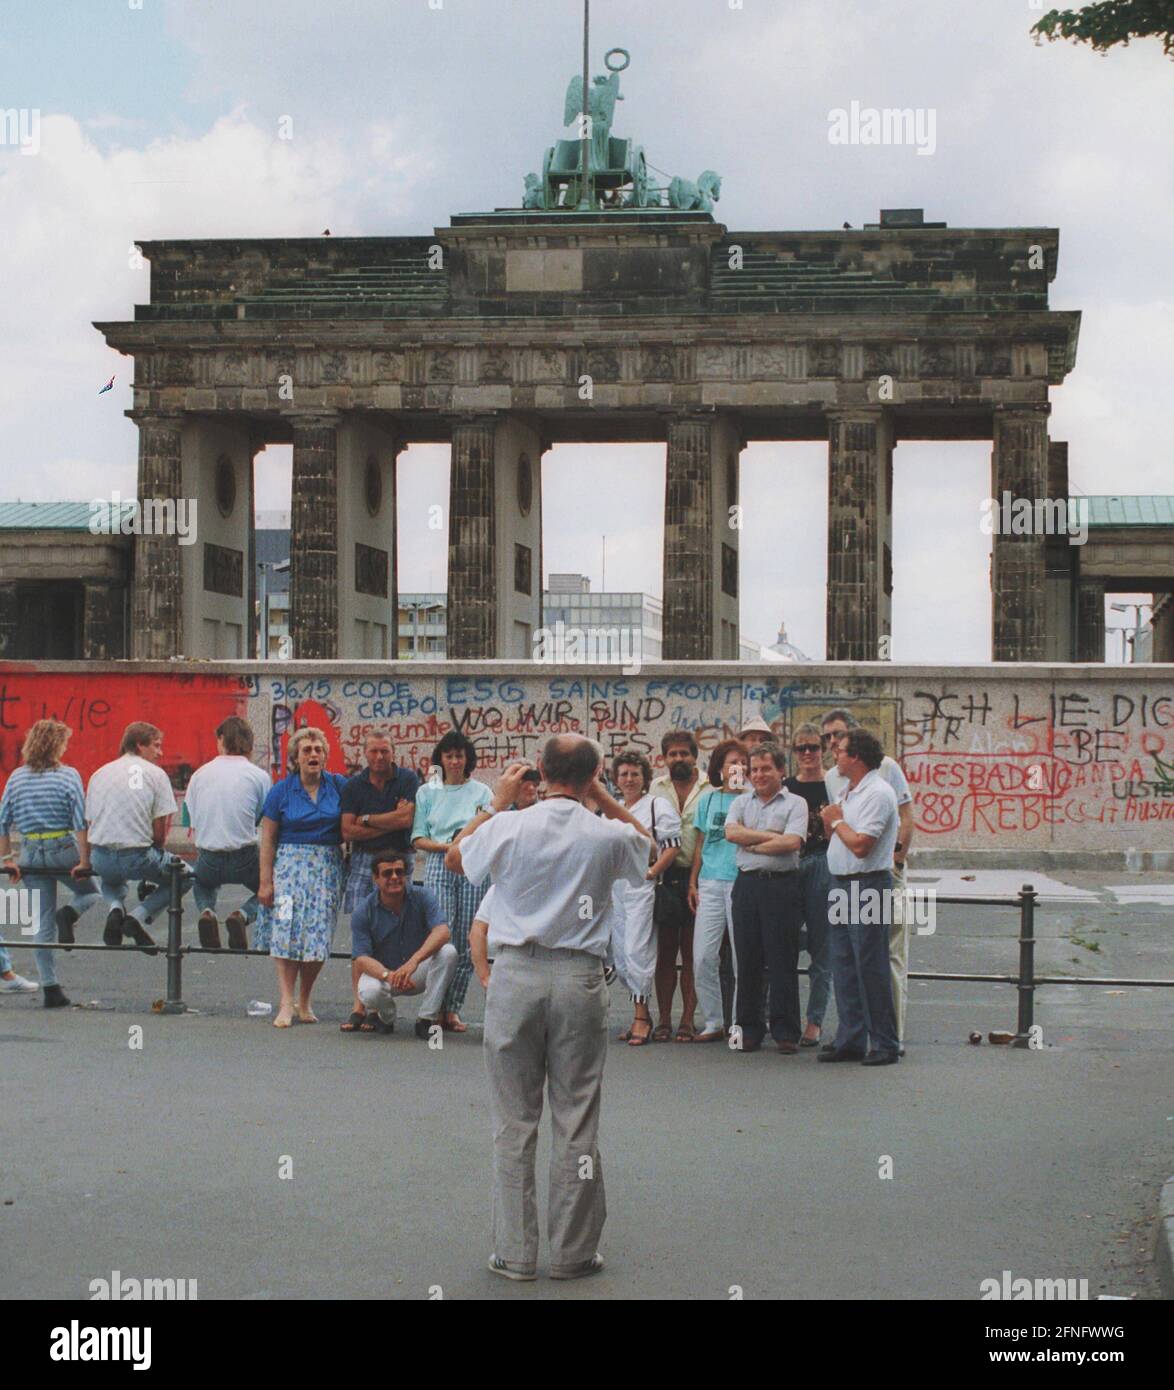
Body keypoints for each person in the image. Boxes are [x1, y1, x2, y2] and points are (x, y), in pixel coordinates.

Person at [450, 738, 650, 1282]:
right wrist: (603, 799)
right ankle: (571, 1251)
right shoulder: (605, 833)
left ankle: (515, 1253)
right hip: (579, 976)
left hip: (516, 970)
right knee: (576, 1115)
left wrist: (496, 801)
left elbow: (455, 857)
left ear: (539, 771)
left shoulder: (511, 824)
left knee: (514, 1120)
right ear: (593, 775)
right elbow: (648, 847)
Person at [821, 709, 915, 1052]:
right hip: (842, 882)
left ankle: (885, 1041)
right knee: (843, 963)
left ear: (856, 757)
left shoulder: (878, 792)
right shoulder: (850, 791)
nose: (833, 753)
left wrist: (834, 822)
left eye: (840, 749)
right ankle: (851, 1037)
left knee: (870, 964)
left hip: (867, 883)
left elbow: (862, 844)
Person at [0, 719, 102, 1007]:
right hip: (62, 846)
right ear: (57, 745)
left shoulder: (17, 777)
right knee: (91, 891)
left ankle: (50, 987)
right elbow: (80, 822)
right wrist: (84, 859)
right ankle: (69, 913)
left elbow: (2, 821)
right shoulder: (68, 776)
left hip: (30, 850)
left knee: (41, 921)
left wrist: (8, 859)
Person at [255, 726, 347, 1029]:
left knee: (318, 934)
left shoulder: (338, 786)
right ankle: (285, 1001)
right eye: (307, 750)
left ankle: (304, 999)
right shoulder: (281, 791)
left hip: (326, 867)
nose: (313, 755)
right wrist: (265, 881)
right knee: (286, 929)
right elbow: (267, 838)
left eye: (318, 750)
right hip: (289, 868)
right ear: (295, 757)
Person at [724, 742, 807, 1053]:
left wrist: (755, 843)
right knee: (747, 960)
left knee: (782, 958)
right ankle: (747, 1031)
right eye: (754, 769)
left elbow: (793, 843)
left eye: (765, 769)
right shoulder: (741, 802)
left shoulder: (796, 803)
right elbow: (732, 834)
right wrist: (773, 836)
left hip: (781, 887)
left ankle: (786, 1032)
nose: (758, 775)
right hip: (747, 887)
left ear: (781, 771)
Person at [410, 731, 492, 1033]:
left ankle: (452, 1008)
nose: (455, 761)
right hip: (438, 863)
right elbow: (418, 837)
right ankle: (434, 1005)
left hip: (471, 864)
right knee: (442, 934)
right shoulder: (427, 792)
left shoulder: (482, 792)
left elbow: (486, 829)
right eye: (449, 756)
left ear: (467, 759)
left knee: (468, 937)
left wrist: (463, 848)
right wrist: (448, 848)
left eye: (460, 756)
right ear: (440, 760)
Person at [86, 721, 190, 953]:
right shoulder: (156, 774)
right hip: (137, 855)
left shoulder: (99, 774)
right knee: (185, 875)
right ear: (139, 745)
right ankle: (136, 917)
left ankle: (115, 908)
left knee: (111, 879)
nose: (160, 752)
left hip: (101, 856)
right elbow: (160, 834)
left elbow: (90, 821)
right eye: (156, 745)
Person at [340, 732, 420, 1027]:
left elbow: (406, 821)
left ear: (393, 752)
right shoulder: (353, 786)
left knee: (394, 928)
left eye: (384, 751)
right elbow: (347, 831)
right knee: (363, 932)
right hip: (364, 861)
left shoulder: (408, 779)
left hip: (400, 859)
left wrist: (367, 819)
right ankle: (360, 1005)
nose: (379, 757)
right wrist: (388, 820)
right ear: (365, 753)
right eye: (374, 752)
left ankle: (380, 1001)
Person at [607, 750, 680, 1047]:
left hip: (641, 888)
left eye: (635, 774)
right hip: (615, 890)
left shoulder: (657, 806)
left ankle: (640, 1017)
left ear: (645, 777)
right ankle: (642, 1013)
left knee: (638, 951)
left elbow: (672, 846)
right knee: (622, 955)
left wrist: (651, 873)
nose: (629, 779)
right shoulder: (610, 809)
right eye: (623, 774)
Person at [348, 851, 457, 1038]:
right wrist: (389, 976)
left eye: (399, 872)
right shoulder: (363, 911)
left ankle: (426, 1018)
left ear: (406, 876)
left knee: (449, 952)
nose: (394, 877)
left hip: (417, 971)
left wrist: (413, 962)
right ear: (375, 878)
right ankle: (387, 1017)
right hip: (385, 974)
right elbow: (361, 959)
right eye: (387, 873)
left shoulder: (423, 896)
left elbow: (443, 932)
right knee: (368, 991)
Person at [184, 716, 271, 951]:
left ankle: (207, 911)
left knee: (202, 885)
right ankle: (242, 915)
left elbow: (192, 817)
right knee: (272, 889)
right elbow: (262, 813)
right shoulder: (259, 776)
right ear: (249, 744)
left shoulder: (199, 775)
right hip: (244, 856)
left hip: (209, 856)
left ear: (221, 740)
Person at [688, 739, 748, 1043]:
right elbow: (700, 844)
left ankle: (739, 1022)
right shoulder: (708, 801)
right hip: (710, 883)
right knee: (703, 957)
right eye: (732, 763)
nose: (738, 768)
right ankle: (713, 1020)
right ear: (720, 769)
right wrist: (693, 881)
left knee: (741, 958)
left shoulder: (751, 799)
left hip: (741, 882)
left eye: (742, 763)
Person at [649, 731, 705, 1041]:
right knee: (666, 952)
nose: (679, 759)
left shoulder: (710, 787)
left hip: (699, 877)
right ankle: (664, 1019)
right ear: (664, 758)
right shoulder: (656, 788)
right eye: (672, 754)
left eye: (684, 753)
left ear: (695, 756)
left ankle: (688, 1019)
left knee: (693, 951)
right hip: (665, 876)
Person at [785, 722, 834, 1047]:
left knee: (822, 946)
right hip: (789, 864)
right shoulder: (787, 787)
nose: (807, 753)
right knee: (785, 945)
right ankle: (784, 1018)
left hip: (823, 864)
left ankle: (814, 1021)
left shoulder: (833, 785)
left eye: (813, 747)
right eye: (801, 748)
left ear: (823, 749)